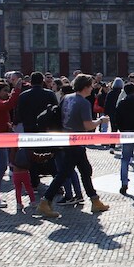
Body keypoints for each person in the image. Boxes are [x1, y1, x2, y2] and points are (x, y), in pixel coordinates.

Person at [36, 74, 111, 218]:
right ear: (86, 87)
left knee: (85, 170)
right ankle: (45, 202)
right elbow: (88, 125)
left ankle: (95, 200)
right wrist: (100, 121)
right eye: (91, 86)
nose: (92, 88)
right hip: (76, 141)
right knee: (65, 173)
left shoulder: (67, 97)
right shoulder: (83, 103)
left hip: (68, 139)